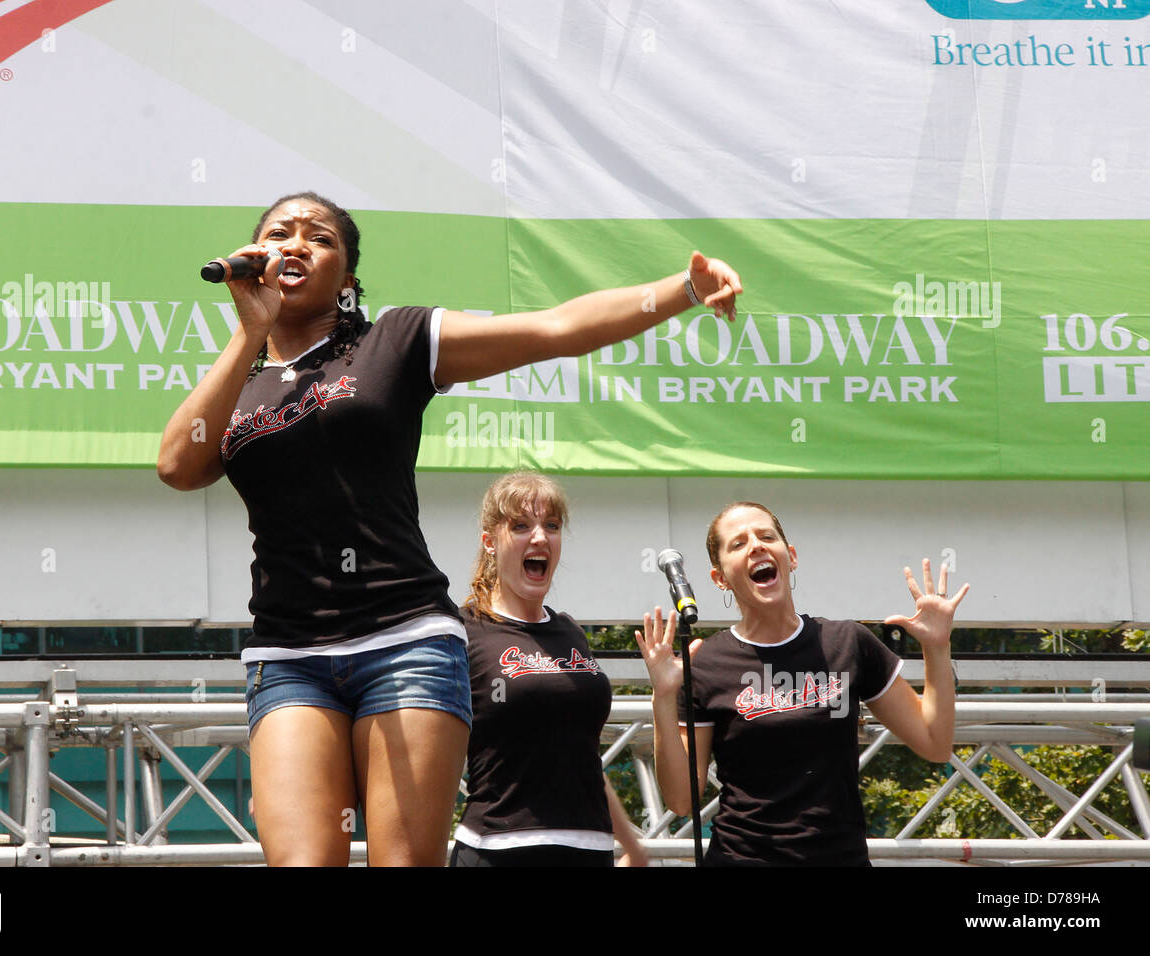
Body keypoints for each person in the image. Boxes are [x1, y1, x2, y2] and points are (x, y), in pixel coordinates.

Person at [157, 191, 741, 866]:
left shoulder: (394, 342)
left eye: (318, 238)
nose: (295, 244)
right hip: (290, 653)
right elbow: (178, 464)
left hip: (403, 639)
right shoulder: (245, 386)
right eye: (278, 234)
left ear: (346, 280)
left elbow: (554, 327)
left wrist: (681, 291)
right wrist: (247, 332)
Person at [635, 501, 967, 866]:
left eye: (766, 536)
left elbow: (935, 743)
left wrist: (937, 648)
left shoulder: (847, 643)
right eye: (738, 544)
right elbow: (682, 801)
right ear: (720, 578)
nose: (757, 546)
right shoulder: (706, 662)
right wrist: (663, 698)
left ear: (790, 556)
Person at [452, 471, 649, 867]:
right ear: (490, 542)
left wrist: (634, 849)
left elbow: (580, 754)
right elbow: (435, 761)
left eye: (552, 526)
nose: (540, 537)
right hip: (499, 850)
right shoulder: (463, 631)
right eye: (521, 526)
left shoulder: (570, 631)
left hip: (589, 850)